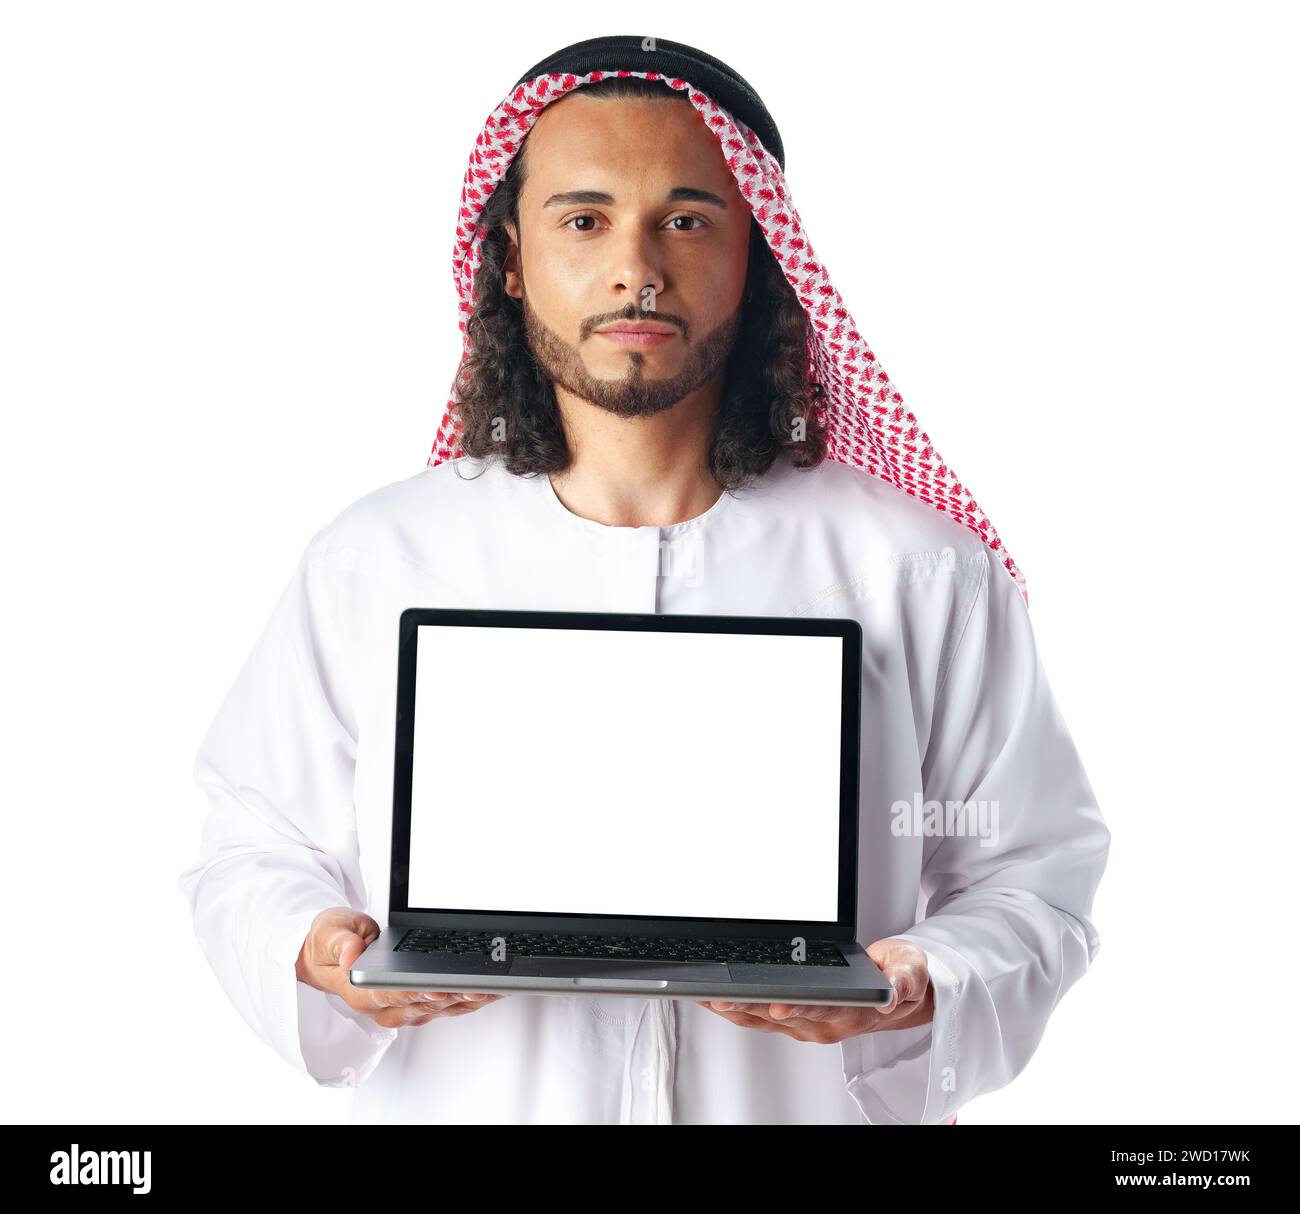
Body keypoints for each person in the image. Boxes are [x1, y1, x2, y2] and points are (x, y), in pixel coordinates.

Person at [179, 35, 1110, 1125]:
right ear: (513, 259)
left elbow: (1035, 870)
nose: (637, 267)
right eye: (584, 220)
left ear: (756, 252)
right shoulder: (377, 560)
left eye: (685, 219)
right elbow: (251, 843)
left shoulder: (916, 569)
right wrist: (319, 946)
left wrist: (910, 981)